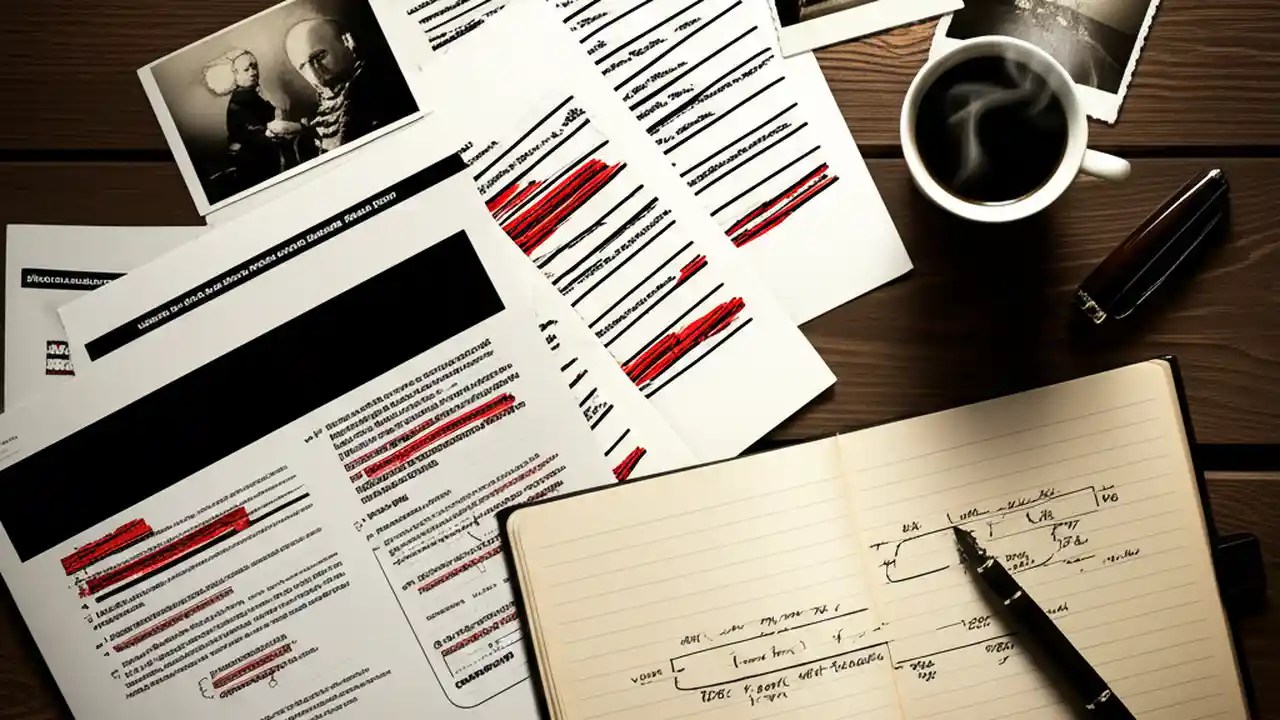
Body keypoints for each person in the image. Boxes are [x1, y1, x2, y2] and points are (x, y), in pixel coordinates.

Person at [284, 18, 417, 154]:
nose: (315, 73)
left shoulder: (390, 87)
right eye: (303, 66)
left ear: (348, 41)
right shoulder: (311, 123)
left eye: (320, 56)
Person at [202, 49, 302, 192]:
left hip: (261, 152)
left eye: (254, 67)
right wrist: (290, 127)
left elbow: (269, 114)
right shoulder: (240, 101)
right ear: (235, 75)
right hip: (251, 159)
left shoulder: (251, 95)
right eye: (246, 69)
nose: (253, 72)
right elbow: (254, 130)